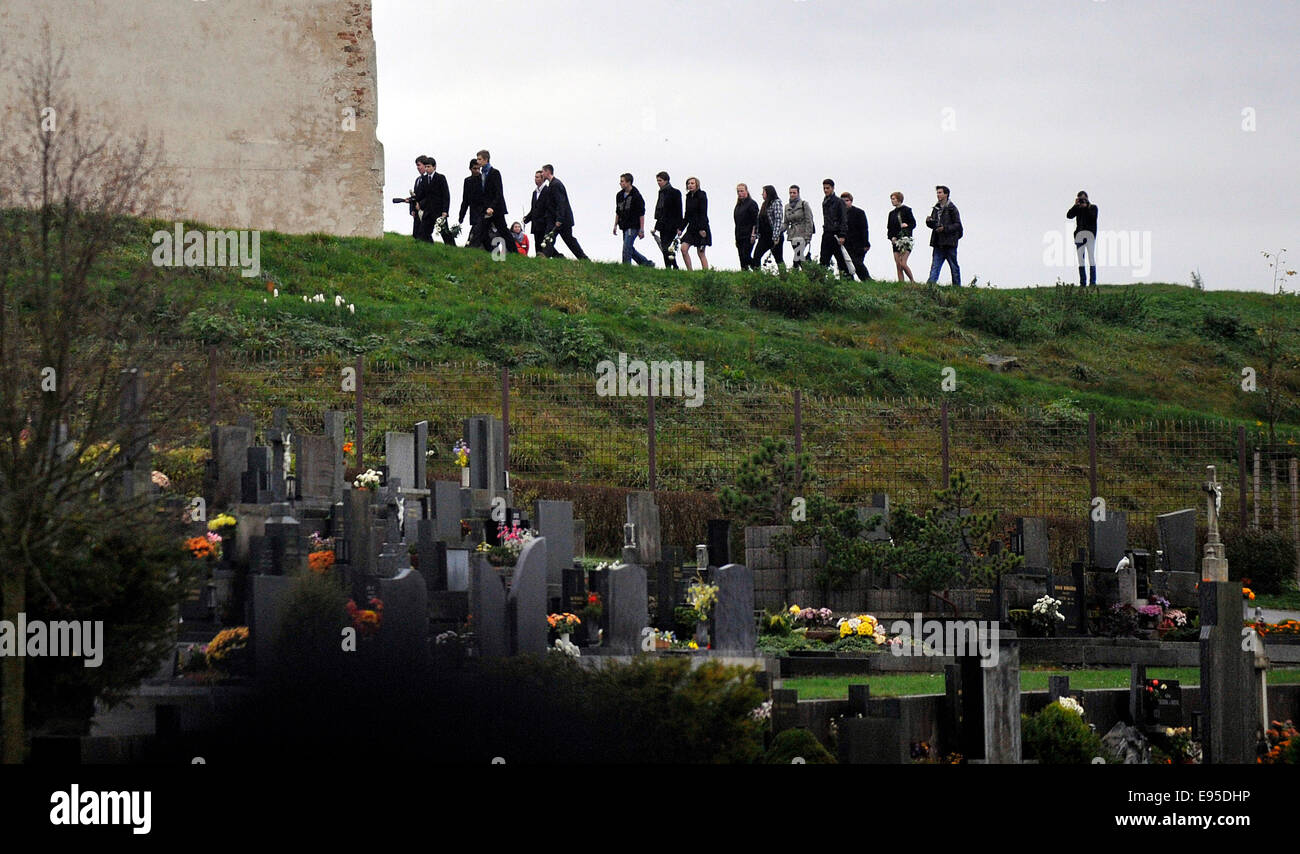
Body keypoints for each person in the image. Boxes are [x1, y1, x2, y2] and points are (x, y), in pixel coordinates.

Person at [541, 164, 588, 260]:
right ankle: (545, 256)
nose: (542, 174)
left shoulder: (556, 184)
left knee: (568, 240)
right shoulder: (552, 185)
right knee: (549, 238)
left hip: (561, 220)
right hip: (556, 219)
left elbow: (561, 202)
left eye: (543, 172)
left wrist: (559, 219)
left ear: (548, 172)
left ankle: (583, 258)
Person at [613, 173, 654, 266]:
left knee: (627, 247)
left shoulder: (636, 196)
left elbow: (641, 214)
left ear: (629, 182)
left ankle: (626, 266)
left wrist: (641, 229)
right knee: (629, 248)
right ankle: (646, 263)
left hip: (633, 225)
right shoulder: (619, 195)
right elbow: (618, 211)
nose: (620, 183)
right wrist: (615, 225)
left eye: (622, 181)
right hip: (623, 225)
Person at [925, 185, 963, 286]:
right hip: (938, 242)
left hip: (950, 243)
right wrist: (929, 222)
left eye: (940, 192)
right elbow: (934, 225)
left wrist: (945, 228)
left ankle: (957, 286)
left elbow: (958, 225)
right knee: (935, 266)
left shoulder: (952, 209)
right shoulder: (936, 208)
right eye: (937, 193)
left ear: (946, 194)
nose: (938, 195)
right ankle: (930, 286)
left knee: (953, 266)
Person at [476, 150, 510, 253]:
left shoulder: (494, 173)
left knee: (504, 231)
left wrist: (492, 207)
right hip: (486, 209)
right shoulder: (482, 174)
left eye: (479, 159)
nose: (478, 161)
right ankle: (492, 251)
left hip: (496, 209)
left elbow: (498, 192)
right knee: (481, 231)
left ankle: (514, 252)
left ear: (486, 159)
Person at [523, 170, 559, 257]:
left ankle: (558, 256)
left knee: (545, 244)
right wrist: (527, 218)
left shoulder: (547, 190)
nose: (535, 179)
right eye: (535, 177)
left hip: (544, 223)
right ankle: (539, 259)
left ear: (543, 178)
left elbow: (548, 207)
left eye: (537, 177)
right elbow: (534, 209)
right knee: (538, 243)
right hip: (536, 223)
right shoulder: (535, 192)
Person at [819, 179, 851, 277]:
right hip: (827, 232)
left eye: (827, 188)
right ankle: (820, 279)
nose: (825, 190)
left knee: (841, 259)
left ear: (832, 188)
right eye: (824, 188)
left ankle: (847, 279)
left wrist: (842, 235)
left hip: (836, 234)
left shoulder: (839, 202)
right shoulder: (825, 201)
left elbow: (843, 219)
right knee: (824, 258)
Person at [1067, 190, 1098, 286]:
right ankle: (1082, 283)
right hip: (1079, 237)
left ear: (1087, 199)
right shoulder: (1078, 209)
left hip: (1090, 236)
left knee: (1091, 258)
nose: (1082, 201)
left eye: (1083, 199)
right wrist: (1075, 205)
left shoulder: (1093, 208)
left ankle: (1092, 282)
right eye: (1080, 199)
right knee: (1081, 260)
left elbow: (1093, 218)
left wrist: (1087, 207)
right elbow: (1069, 216)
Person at [679, 176, 711, 270]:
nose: (690, 185)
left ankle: (706, 273)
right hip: (691, 228)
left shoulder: (702, 195)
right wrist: (681, 228)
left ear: (697, 184)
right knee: (683, 249)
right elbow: (687, 214)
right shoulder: (688, 196)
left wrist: (702, 229)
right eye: (688, 183)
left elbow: (703, 213)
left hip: (701, 227)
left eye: (692, 183)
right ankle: (690, 271)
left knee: (701, 253)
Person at [653, 171, 683, 269]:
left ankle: (674, 266)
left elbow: (679, 210)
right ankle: (668, 267)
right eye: (657, 181)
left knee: (666, 247)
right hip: (662, 224)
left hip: (672, 224)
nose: (658, 183)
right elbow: (660, 210)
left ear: (666, 180)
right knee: (665, 247)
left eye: (660, 180)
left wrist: (679, 226)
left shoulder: (675, 192)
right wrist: (656, 226)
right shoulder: (661, 193)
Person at [752, 185, 785, 271]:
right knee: (756, 256)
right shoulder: (764, 204)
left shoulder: (776, 203)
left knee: (778, 259)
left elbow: (778, 220)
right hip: (764, 237)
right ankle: (757, 277)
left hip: (774, 236)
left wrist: (776, 236)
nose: (762, 194)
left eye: (763, 192)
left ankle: (784, 278)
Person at [886, 192, 916, 282]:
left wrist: (907, 225)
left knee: (903, 262)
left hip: (905, 240)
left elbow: (913, 223)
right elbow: (889, 228)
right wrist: (891, 237)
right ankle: (901, 283)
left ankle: (912, 280)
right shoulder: (891, 214)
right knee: (898, 264)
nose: (892, 201)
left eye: (894, 199)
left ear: (899, 199)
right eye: (891, 199)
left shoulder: (907, 210)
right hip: (896, 241)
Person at [841, 192, 871, 281]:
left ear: (851, 201)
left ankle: (867, 280)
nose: (845, 203)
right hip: (845, 243)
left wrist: (866, 243)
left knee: (857, 263)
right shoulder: (839, 214)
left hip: (858, 243)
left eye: (847, 201)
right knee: (845, 263)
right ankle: (848, 281)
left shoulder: (859, 213)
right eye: (843, 201)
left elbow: (864, 228)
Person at [784, 185, 815, 269]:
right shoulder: (787, 207)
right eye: (790, 193)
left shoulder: (804, 204)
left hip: (803, 234)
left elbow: (809, 220)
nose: (792, 194)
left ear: (798, 193)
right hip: (792, 235)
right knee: (799, 257)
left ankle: (797, 271)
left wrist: (808, 236)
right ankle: (808, 274)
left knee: (797, 255)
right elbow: (785, 222)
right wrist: (777, 232)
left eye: (794, 192)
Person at [424, 157, 453, 245]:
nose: (427, 169)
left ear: (434, 167)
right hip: (428, 211)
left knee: (445, 233)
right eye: (425, 167)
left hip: (439, 211)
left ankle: (452, 248)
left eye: (429, 166)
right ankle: (429, 248)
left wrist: (445, 211)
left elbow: (446, 195)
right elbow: (422, 195)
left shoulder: (441, 178)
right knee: (424, 232)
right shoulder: (424, 179)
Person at [458, 158, 484, 247]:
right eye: (475, 168)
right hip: (473, 210)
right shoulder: (467, 181)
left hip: (483, 210)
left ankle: (470, 246)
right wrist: (461, 216)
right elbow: (465, 200)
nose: (477, 171)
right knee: (476, 231)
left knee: (477, 231)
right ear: (470, 169)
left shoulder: (484, 179)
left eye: (478, 168)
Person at [734, 183, 759, 270]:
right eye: (738, 191)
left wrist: (753, 234)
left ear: (746, 191)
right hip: (739, 235)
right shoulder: (738, 205)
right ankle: (744, 275)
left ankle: (756, 267)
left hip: (748, 235)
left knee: (746, 256)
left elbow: (756, 221)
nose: (740, 193)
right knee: (741, 257)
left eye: (742, 191)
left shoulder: (752, 204)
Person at [407, 156, 430, 240]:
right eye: (417, 165)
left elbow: (430, 196)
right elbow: (415, 196)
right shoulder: (418, 180)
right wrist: (412, 209)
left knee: (424, 234)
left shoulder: (429, 179)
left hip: (425, 210)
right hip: (417, 211)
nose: (418, 168)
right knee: (416, 234)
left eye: (419, 165)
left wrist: (421, 204)